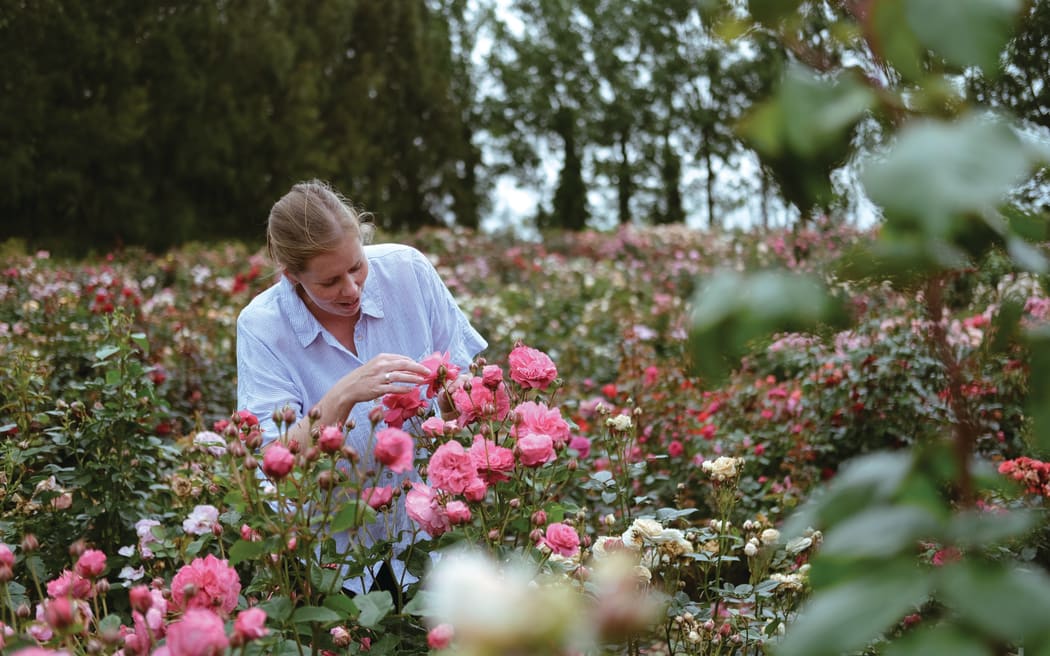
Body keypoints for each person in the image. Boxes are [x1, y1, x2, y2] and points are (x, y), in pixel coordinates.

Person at [236, 179, 487, 594]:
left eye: (356, 267)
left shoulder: (408, 271)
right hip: (338, 560)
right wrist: (343, 393)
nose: (351, 289)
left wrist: (456, 394)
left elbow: (468, 377)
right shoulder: (262, 326)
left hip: (437, 532)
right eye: (330, 282)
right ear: (292, 275)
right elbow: (273, 462)